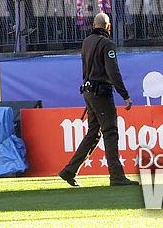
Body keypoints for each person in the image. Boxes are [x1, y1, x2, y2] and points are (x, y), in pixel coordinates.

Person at [59, 13, 137, 187]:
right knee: (110, 132)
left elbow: (85, 68)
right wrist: (125, 95)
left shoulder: (86, 42)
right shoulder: (107, 44)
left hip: (88, 90)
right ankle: (116, 176)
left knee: (93, 133)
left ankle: (69, 170)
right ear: (108, 27)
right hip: (101, 93)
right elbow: (113, 71)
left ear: (94, 25)